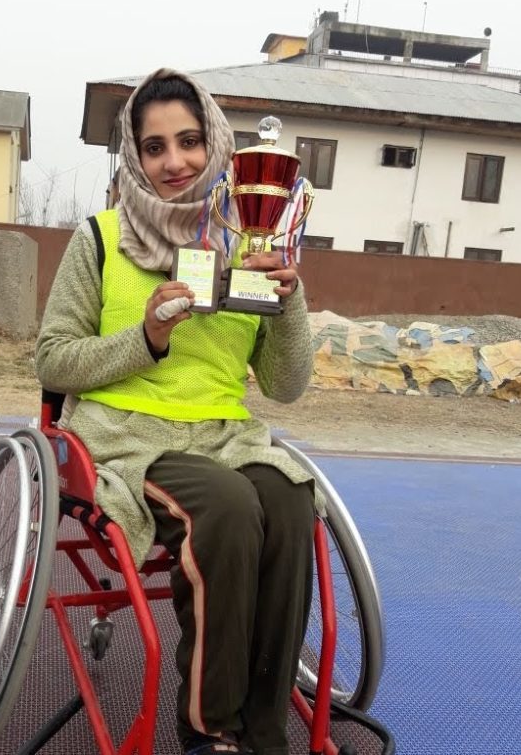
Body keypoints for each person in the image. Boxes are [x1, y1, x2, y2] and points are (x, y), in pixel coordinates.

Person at [35, 68, 318, 755]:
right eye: (154, 146)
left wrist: (290, 297)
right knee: (224, 506)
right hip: (125, 436)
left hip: (224, 433)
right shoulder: (101, 238)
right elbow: (53, 359)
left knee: (287, 502)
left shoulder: (253, 240)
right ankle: (209, 730)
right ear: (133, 155)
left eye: (189, 141)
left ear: (215, 143)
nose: (174, 162)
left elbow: (284, 386)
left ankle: (264, 730)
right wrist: (148, 338)